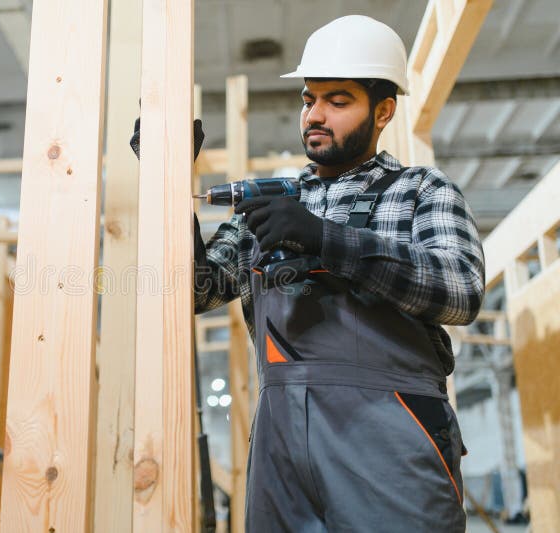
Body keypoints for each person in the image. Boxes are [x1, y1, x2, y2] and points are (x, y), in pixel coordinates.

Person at [132, 15, 484, 531]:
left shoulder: (421, 191)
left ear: (383, 111)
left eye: (337, 101)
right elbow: (197, 290)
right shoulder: (270, 205)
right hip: (282, 444)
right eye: (307, 99)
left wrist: (325, 238)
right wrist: (166, 177)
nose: (315, 115)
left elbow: (461, 291)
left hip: (392, 437)